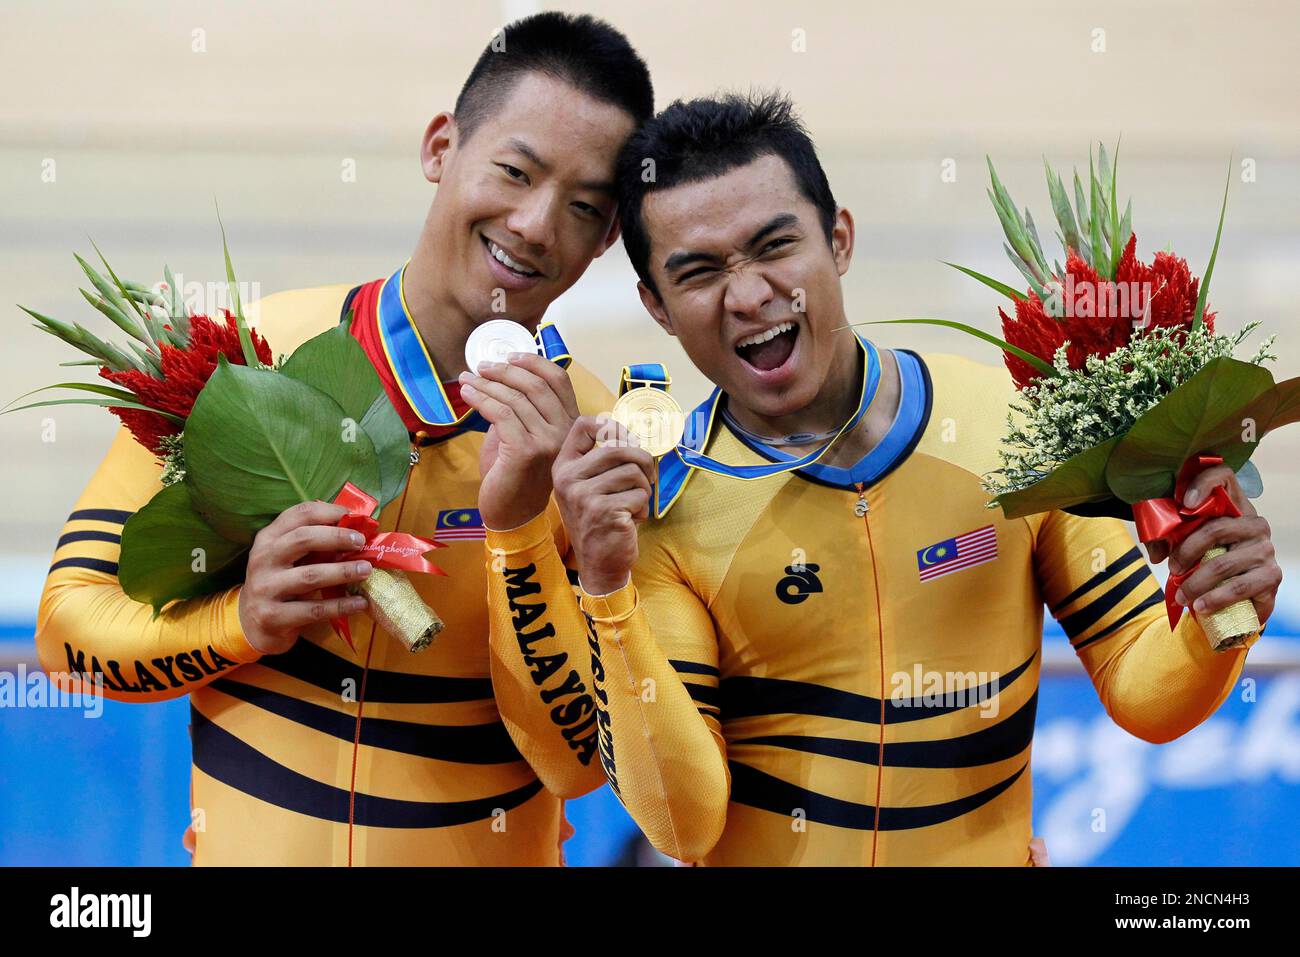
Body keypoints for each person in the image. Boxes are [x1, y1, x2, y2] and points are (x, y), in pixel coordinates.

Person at [472, 91, 1283, 865]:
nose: (750, 294)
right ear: (656, 305)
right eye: (699, 273)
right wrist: (607, 590)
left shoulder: (1013, 421)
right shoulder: (663, 510)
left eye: (775, 244)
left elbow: (1148, 695)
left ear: (840, 241)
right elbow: (684, 822)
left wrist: (1218, 609)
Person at [34, 11, 652, 865]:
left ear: (608, 235)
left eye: (584, 206)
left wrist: (519, 535)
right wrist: (242, 621)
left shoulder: (595, 445)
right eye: (515, 171)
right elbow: (70, 638)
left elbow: (579, 762)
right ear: (441, 147)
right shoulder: (245, 361)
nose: (538, 224)